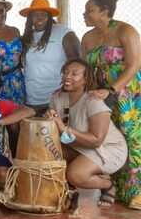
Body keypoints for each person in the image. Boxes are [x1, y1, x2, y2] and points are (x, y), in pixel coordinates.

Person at [82, 0, 141, 209]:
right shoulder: (87, 37)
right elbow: (86, 68)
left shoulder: (126, 31)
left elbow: (134, 65)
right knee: (107, 138)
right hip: (100, 95)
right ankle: (112, 186)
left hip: (127, 95)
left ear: (105, 11)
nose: (85, 14)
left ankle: (136, 192)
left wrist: (112, 90)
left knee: (132, 138)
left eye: (90, 10)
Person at [47, 59, 127, 205]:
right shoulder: (57, 97)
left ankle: (107, 185)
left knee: (75, 174)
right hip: (78, 145)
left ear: (85, 80)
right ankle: (69, 191)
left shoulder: (94, 101)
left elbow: (97, 140)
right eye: (65, 72)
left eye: (74, 74)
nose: (67, 76)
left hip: (107, 149)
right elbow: (56, 129)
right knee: (47, 154)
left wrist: (63, 128)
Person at [19, 0, 80, 113]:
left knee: (58, 129)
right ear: (30, 18)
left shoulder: (63, 32)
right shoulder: (27, 37)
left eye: (43, 14)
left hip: (57, 96)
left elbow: (76, 63)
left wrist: (67, 88)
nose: (39, 17)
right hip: (32, 99)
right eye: (35, 14)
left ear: (49, 16)